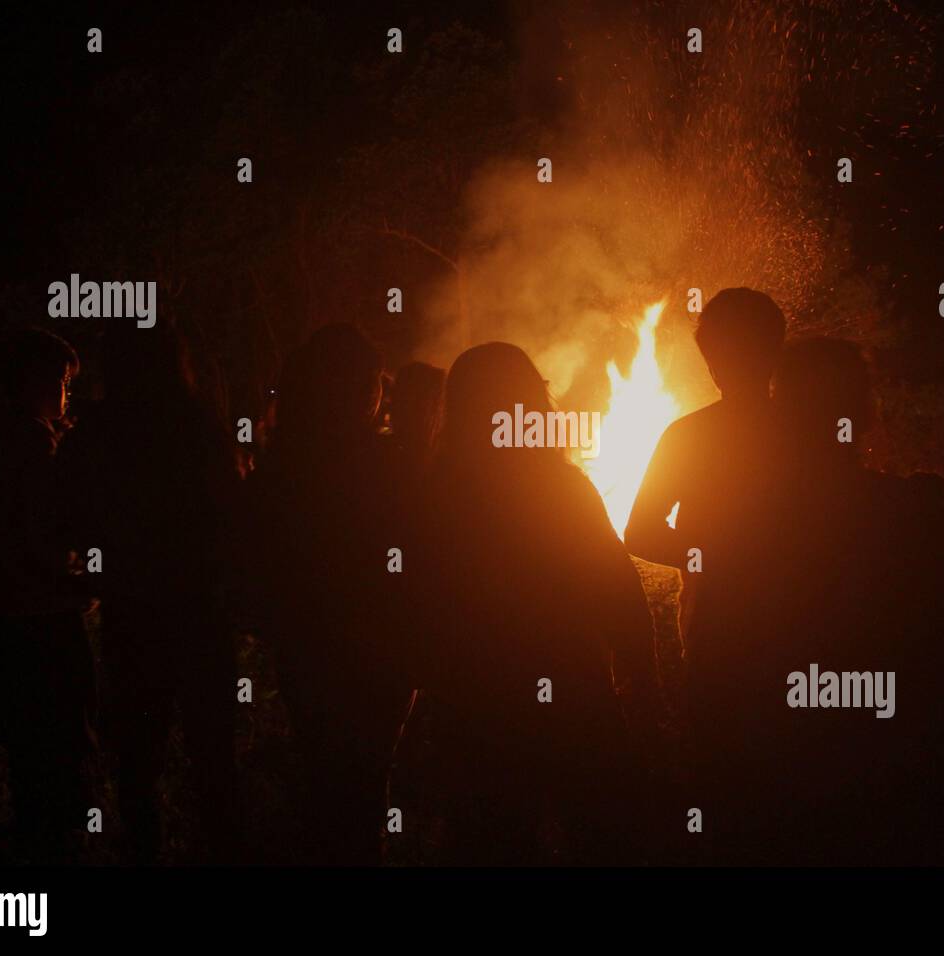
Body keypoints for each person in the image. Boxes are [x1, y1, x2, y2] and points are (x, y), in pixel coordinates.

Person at [682, 336, 944, 864]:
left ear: (780, 412)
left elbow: (711, 650)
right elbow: (934, 646)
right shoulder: (906, 512)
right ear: (863, 411)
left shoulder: (732, 518)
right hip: (867, 761)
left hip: (767, 760)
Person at [400, 342, 659, 864]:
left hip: (477, 706)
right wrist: (643, 689)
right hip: (571, 694)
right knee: (604, 837)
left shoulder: (433, 498)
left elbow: (414, 607)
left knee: (490, 840)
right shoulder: (562, 490)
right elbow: (619, 594)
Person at [58, 324, 241, 864]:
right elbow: (232, 517)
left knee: (138, 759)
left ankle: (145, 852)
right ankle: (225, 850)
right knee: (213, 754)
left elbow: (69, 516)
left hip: (134, 616)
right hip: (201, 613)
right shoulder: (200, 428)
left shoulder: (98, 434)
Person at [246, 323, 409, 865]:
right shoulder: (390, 465)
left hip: (306, 648)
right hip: (379, 650)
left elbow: (254, 562)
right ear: (364, 388)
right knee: (366, 777)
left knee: (323, 768)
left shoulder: (279, 469)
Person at [0, 328, 94, 863]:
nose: (67, 393)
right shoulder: (35, 445)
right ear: (36, 383)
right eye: (61, 382)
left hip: (1, 607)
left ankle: (34, 824)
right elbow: (43, 535)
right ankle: (65, 832)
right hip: (44, 611)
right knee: (65, 722)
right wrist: (73, 579)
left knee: (26, 724)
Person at [625, 288, 787, 641]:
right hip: (789, 628)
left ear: (712, 362)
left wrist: (709, 557)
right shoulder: (807, 434)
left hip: (719, 630)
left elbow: (639, 532)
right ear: (776, 352)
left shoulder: (687, 436)